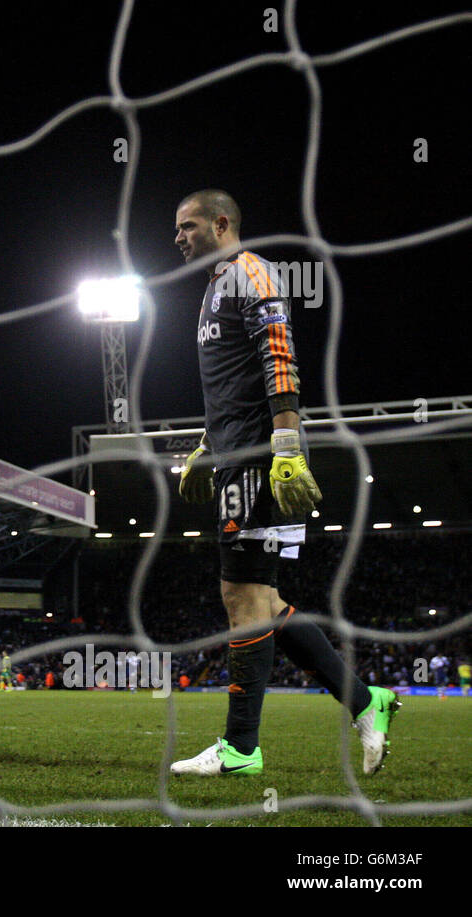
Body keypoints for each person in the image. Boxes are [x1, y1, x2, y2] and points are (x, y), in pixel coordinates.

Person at [169, 190, 397, 776]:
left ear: (222, 223)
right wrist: (205, 445)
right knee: (264, 601)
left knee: (241, 598)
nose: (178, 237)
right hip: (235, 455)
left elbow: (279, 357)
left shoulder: (252, 274)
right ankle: (365, 701)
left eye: (188, 226)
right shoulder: (215, 286)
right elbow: (232, 386)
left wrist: (287, 445)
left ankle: (241, 749)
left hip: (260, 459)